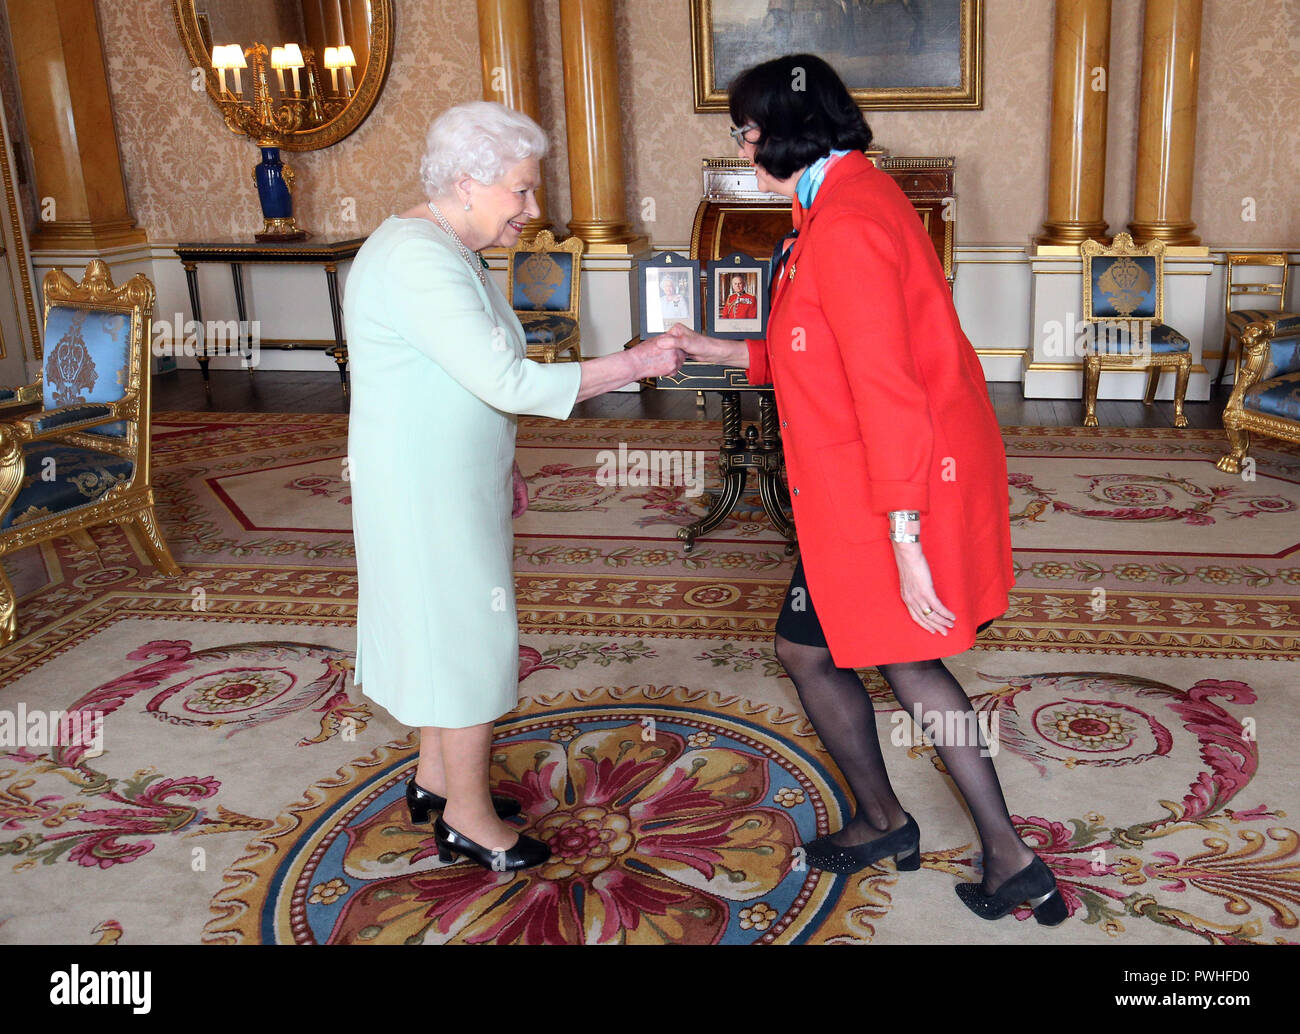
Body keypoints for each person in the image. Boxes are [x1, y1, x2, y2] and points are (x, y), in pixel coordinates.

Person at [661, 55, 1066, 926]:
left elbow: (887, 390)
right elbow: (830, 350)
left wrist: (906, 540)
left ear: (774, 134)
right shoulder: (849, 199)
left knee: (875, 655)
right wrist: (724, 350)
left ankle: (944, 836)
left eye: (745, 130)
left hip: (882, 490)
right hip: (870, 482)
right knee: (874, 655)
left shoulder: (843, 224)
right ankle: (989, 851)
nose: (743, 143)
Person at [345, 100, 682, 874]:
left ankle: (435, 780)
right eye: (521, 192)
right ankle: (465, 819)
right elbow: (506, 377)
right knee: (462, 639)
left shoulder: (440, 245)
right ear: (467, 184)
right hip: (423, 487)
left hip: (443, 472)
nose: (533, 211)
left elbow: (453, 379)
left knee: (442, 631)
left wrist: (504, 463)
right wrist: (634, 365)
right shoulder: (418, 258)